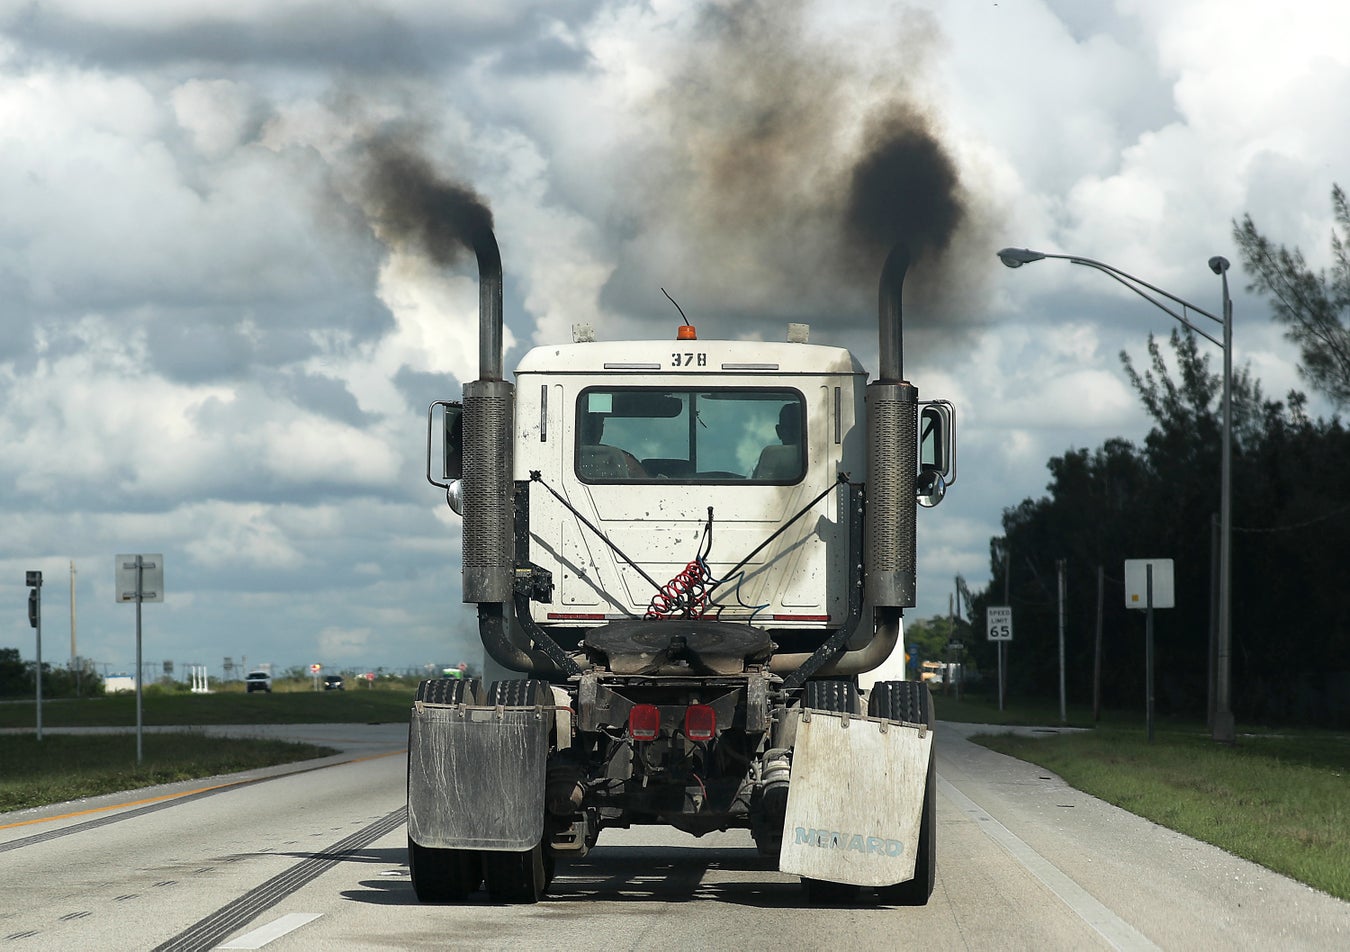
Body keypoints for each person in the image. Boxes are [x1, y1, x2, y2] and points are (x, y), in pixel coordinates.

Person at [578, 412, 648, 478]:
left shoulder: (570, 455)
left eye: (595, 425)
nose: (593, 429)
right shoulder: (619, 457)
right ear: (601, 430)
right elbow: (644, 485)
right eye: (591, 425)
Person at [752, 403, 804, 480]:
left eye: (796, 428)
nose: (794, 433)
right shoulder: (825, 459)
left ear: (779, 431)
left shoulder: (770, 455)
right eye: (790, 428)